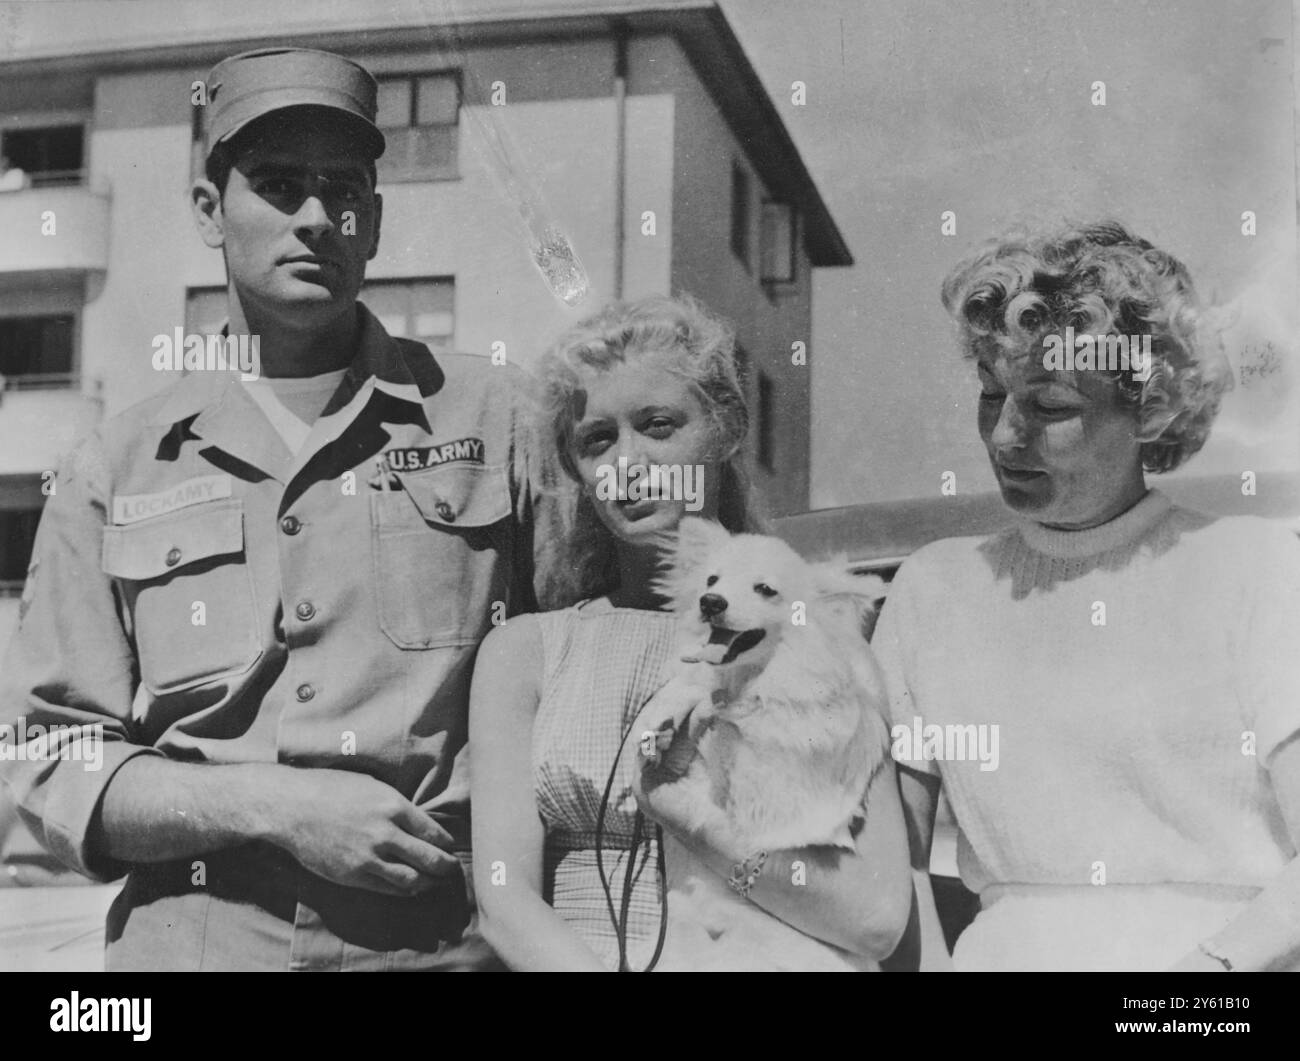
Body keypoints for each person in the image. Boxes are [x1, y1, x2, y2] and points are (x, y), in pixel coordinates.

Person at [0, 47, 560, 971]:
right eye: (278, 183)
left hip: (440, 944)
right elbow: (56, 758)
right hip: (194, 945)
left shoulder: (502, 418)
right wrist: (275, 806)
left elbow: (594, 678)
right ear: (211, 212)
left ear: (374, 223)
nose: (315, 216)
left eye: (343, 189)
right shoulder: (118, 464)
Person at [874, 220, 1300, 971]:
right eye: (991, 395)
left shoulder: (1253, 566)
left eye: (1049, 406)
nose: (1004, 437)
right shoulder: (932, 591)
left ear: (1151, 406)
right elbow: (891, 877)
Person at [469, 294, 913, 970]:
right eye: (597, 439)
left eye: (657, 424)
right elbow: (503, 902)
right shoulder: (526, 650)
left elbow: (877, 916)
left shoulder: (814, 632)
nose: (628, 461)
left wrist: (700, 826)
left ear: (725, 429)